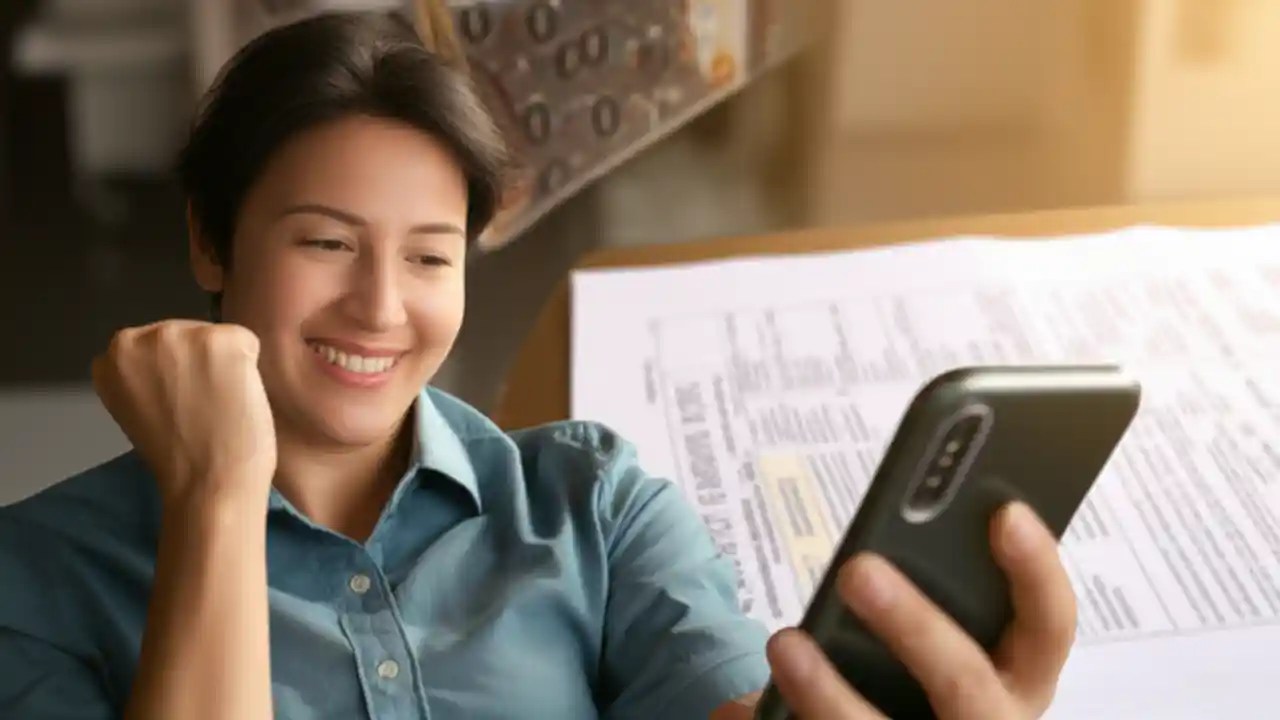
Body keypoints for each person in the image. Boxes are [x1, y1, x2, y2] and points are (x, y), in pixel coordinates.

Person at [0, 9, 1078, 720]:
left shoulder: (592, 505)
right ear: (208, 240)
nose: (381, 307)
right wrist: (218, 497)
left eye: (429, 256)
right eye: (325, 244)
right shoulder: (34, 577)